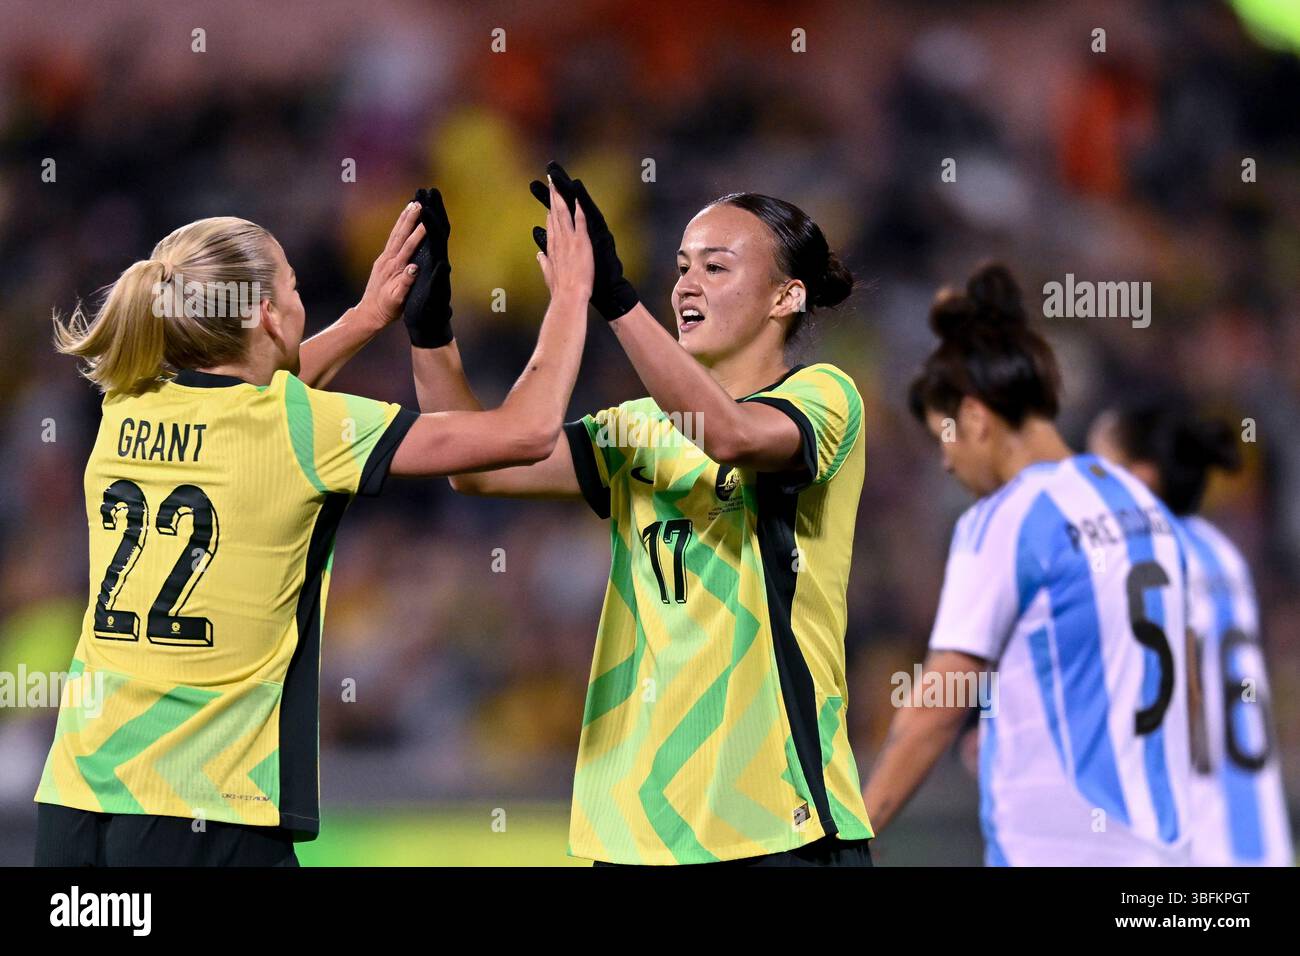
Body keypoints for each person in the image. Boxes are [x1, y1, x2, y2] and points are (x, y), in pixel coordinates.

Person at [34, 182, 594, 865]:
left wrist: (365, 317)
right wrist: (569, 297)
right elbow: (526, 434)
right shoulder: (307, 429)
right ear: (269, 315)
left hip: (78, 794)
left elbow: (255, 399)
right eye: (294, 287)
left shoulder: (127, 404)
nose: (304, 301)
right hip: (204, 807)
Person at [427, 163, 874, 866]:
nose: (686, 285)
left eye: (717, 267)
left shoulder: (825, 396)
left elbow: (728, 436)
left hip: (773, 820)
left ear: (787, 296)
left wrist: (616, 303)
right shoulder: (637, 426)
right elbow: (474, 470)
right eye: (681, 266)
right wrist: (432, 337)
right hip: (635, 825)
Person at [862, 263, 1192, 866]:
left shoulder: (1009, 518)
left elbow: (938, 705)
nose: (945, 463)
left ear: (977, 416)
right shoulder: (1144, 507)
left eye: (945, 436)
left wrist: (856, 835)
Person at [1089, 399, 1294, 866]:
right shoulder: (1222, 553)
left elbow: (1171, 699)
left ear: (1139, 479)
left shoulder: (1142, 560)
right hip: (1259, 839)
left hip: (1191, 851)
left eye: (1100, 469)